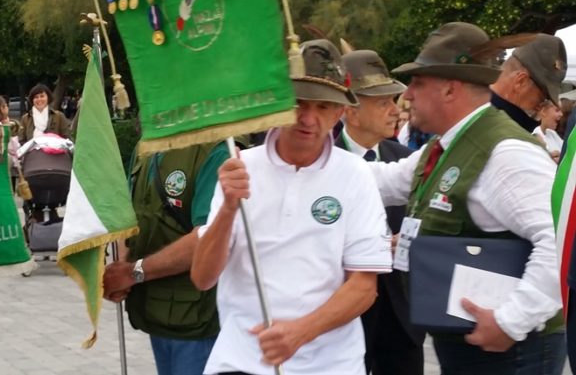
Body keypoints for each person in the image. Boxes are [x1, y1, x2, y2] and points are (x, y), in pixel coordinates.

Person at [370, 22, 565, 374]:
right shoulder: (447, 145)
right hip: (476, 344)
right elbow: (382, 180)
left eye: (418, 83)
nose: (408, 95)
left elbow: (560, 237)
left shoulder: (504, 152)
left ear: (449, 89)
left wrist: (510, 321)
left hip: (511, 351)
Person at [191, 39, 392, 374]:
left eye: (323, 107)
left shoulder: (356, 175)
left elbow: (363, 287)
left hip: (331, 365)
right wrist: (227, 208)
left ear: (340, 113)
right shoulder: (239, 168)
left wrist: (301, 332)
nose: (308, 118)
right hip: (242, 360)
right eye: (298, 103)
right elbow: (202, 277)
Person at [103, 140, 232, 375]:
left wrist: (133, 273)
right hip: (156, 310)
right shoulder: (145, 146)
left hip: (195, 318)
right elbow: (128, 212)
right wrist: (121, 263)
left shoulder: (214, 150)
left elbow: (205, 239)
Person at [339, 49, 425, 375]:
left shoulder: (403, 157)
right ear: (350, 111)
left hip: (401, 316)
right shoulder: (323, 161)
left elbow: (418, 215)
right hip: (345, 315)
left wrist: (406, 239)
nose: (394, 111)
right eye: (382, 102)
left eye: (393, 100)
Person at [490, 33, 566, 133]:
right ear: (520, 81)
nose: (541, 106)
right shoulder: (496, 127)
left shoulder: (474, 108)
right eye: (542, 98)